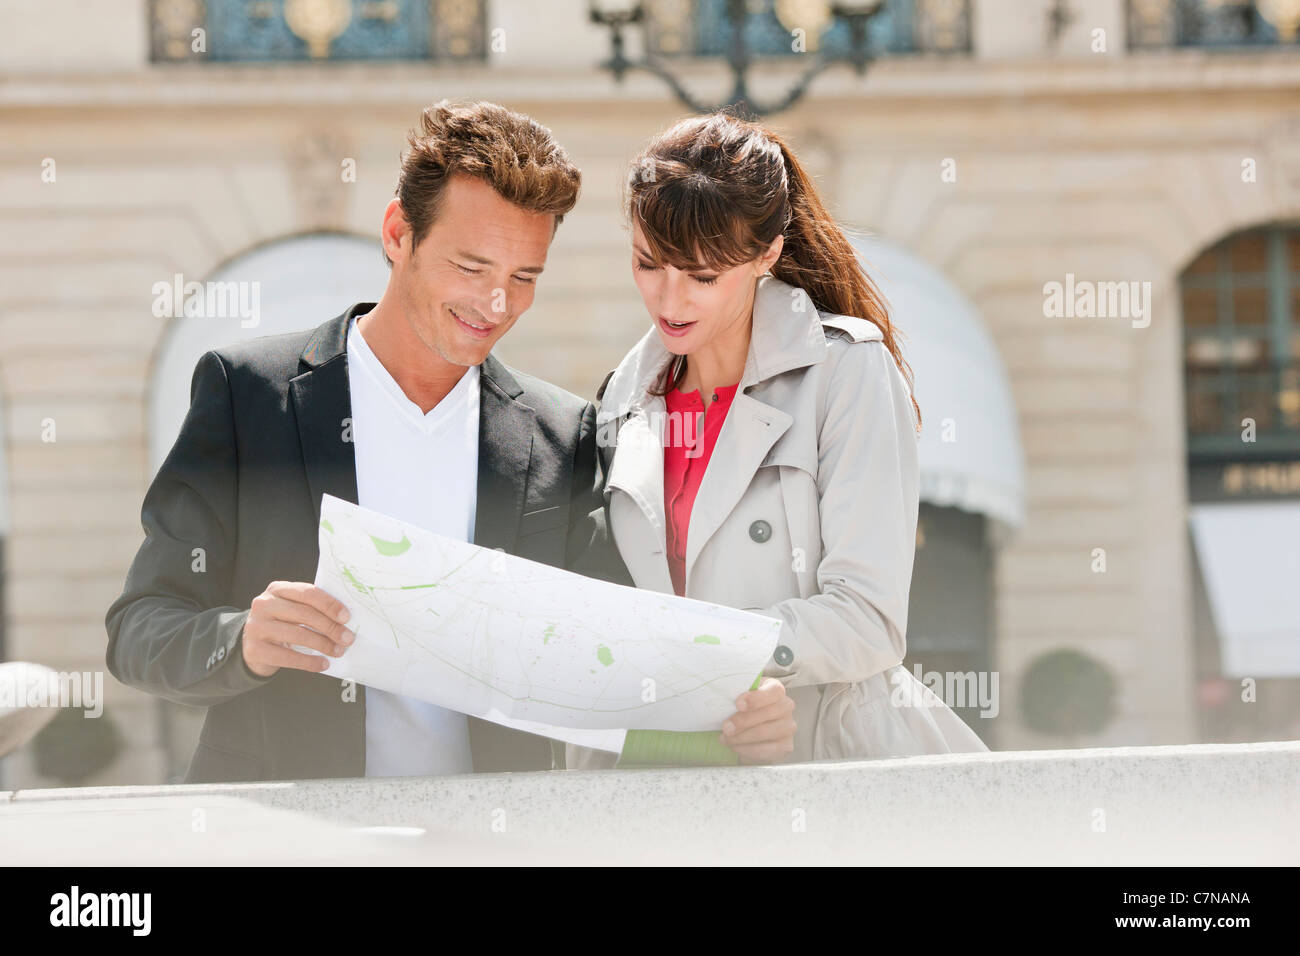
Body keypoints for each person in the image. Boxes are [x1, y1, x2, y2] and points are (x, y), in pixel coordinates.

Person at [105, 100, 631, 783]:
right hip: (288, 837)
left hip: (493, 840)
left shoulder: (562, 433)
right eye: (471, 268)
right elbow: (140, 628)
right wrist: (244, 640)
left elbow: (607, 654)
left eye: (523, 277)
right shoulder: (247, 394)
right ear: (398, 233)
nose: (496, 305)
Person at [566, 112, 990, 770]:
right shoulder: (622, 400)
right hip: (668, 775)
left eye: (702, 276)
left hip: (829, 764)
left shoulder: (844, 370)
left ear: (767, 253)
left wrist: (724, 666)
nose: (669, 298)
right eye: (648, 264)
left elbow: (869, 619)